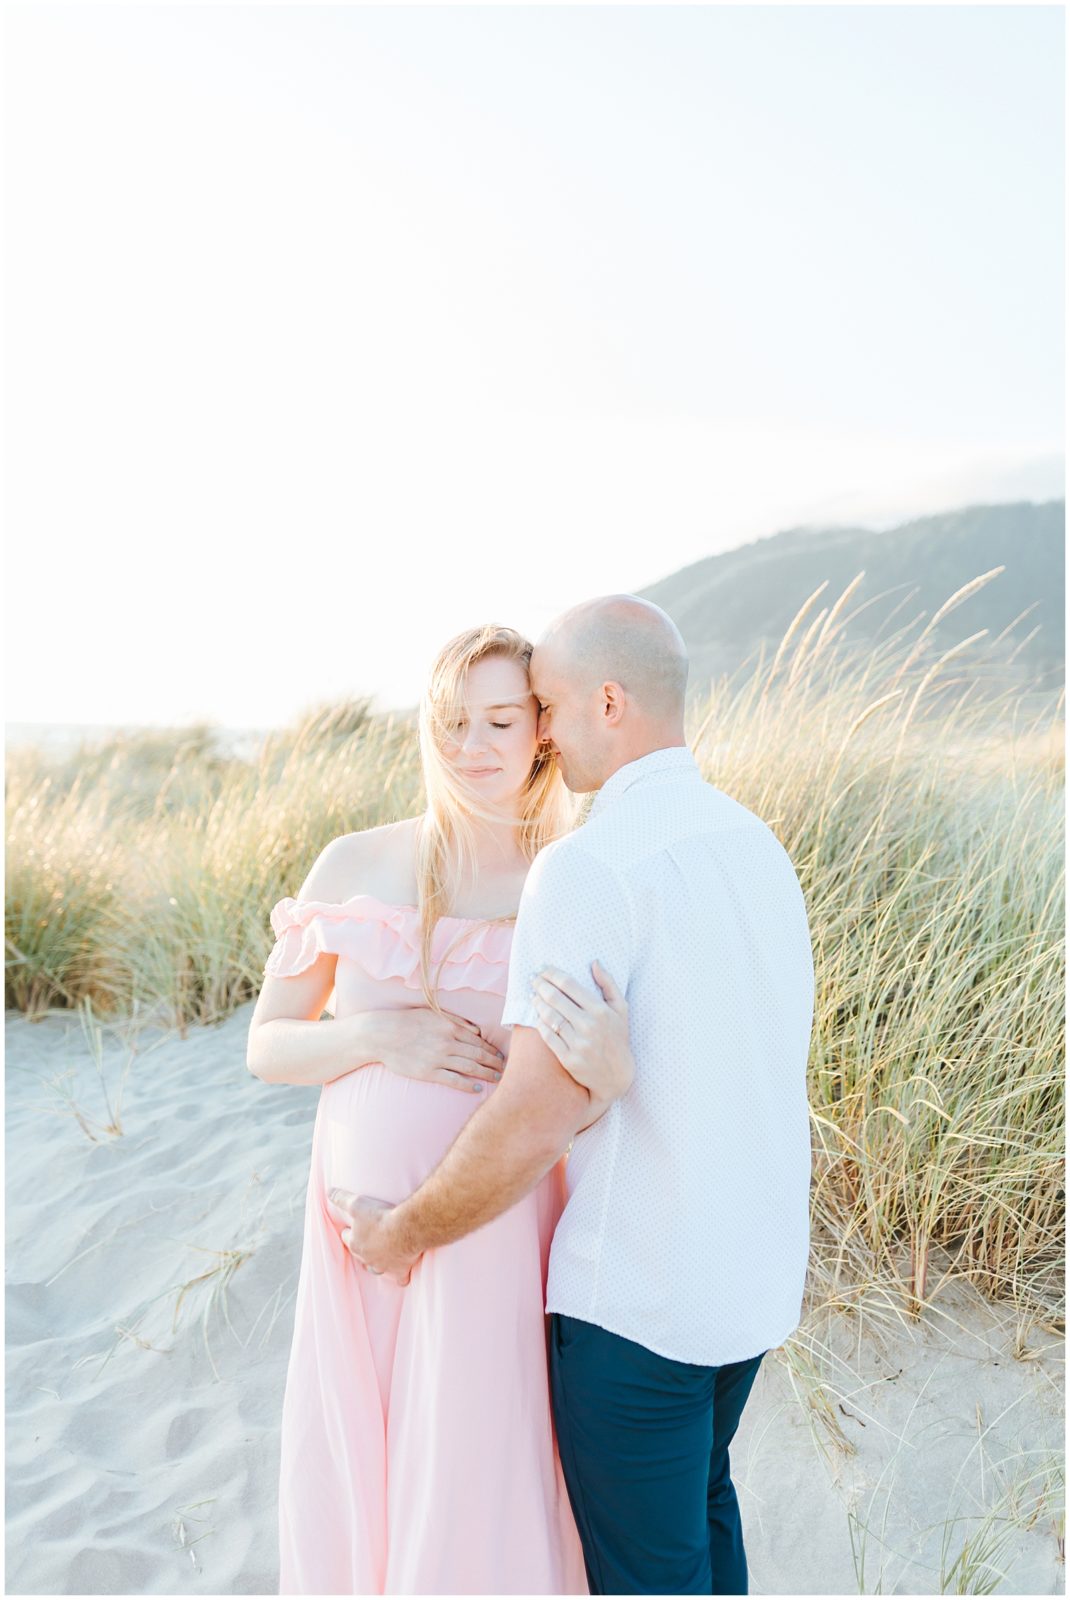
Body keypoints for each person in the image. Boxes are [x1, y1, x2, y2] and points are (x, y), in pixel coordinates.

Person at [336, 593, 816, 1596]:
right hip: (748, 1285)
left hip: (636, 1303)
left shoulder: (586, 865)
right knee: (703, 1520)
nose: (540, 734)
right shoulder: (754, 846)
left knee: (650, 1574)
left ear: (608, 700)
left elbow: (530, 1110)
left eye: (543, 706)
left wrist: (404, 1231)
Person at [247, 623, 636, 1595]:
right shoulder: (355, 864)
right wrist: (378, 1036)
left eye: (499, 719)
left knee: (470, 1463)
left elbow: (589, 1085)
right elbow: (266, 1045)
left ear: (541, 730)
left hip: (492, 1230)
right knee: (365, 1458)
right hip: (353, 1248)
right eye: (452, 722)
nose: (473, 745)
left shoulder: (571, 878)